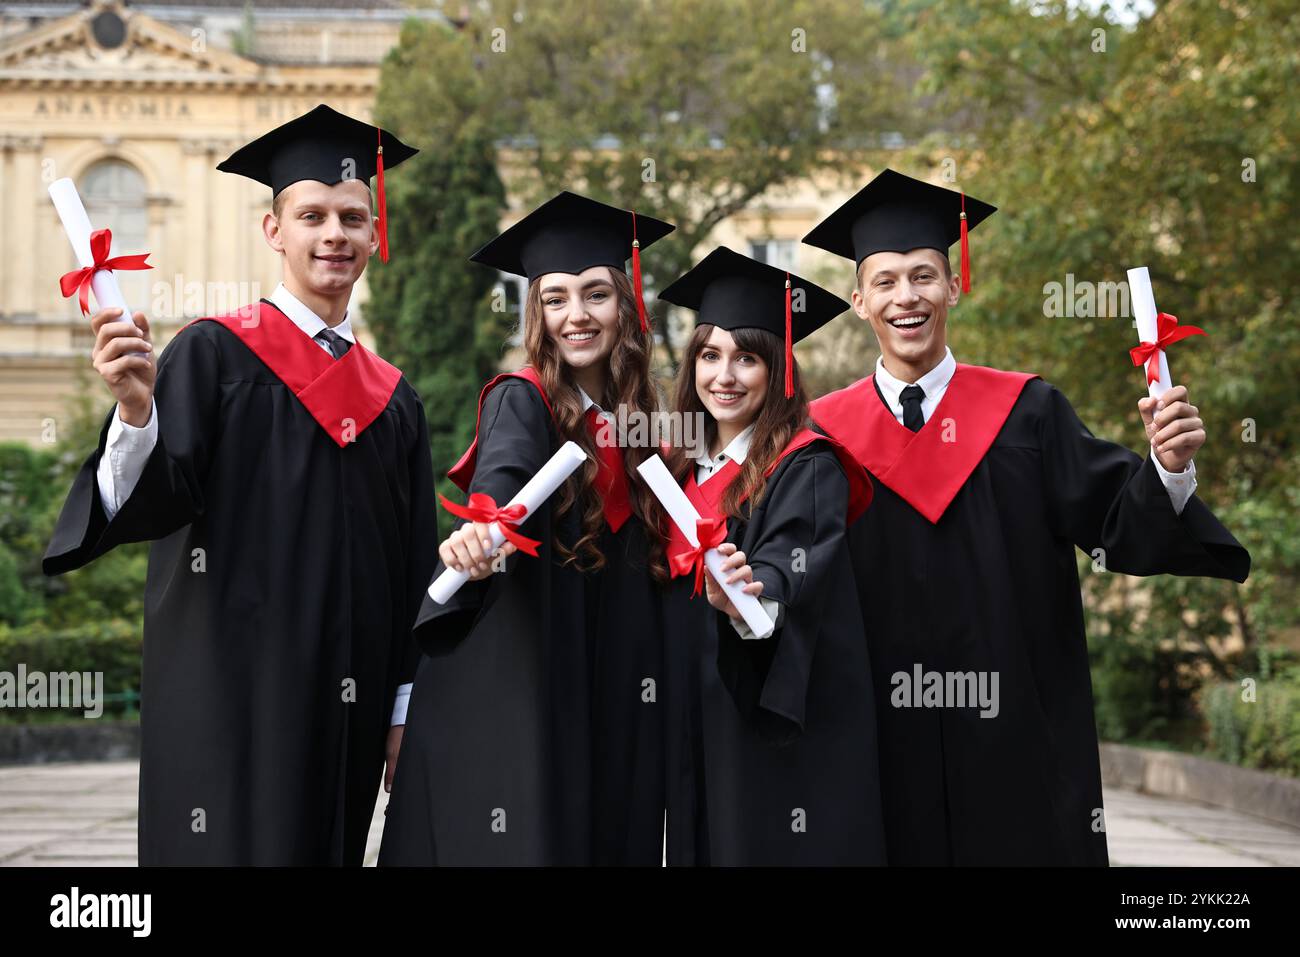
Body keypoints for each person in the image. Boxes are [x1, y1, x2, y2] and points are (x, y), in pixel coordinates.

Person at [803, 168, 1252, 865]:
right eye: (885, 281)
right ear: (859, 300)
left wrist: (1165, 465)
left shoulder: (1026, 412)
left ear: (954, 286)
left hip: (1012, 738)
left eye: (924, 275)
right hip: (878, 745)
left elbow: (1118, 524)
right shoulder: (822, 437)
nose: (906, 296)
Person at [43, 104, 439, 866]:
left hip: (347, 715)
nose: (334, 234)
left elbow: (413, 566)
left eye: (353, 218)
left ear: (374, 235)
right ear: (274, 231)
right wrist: (134, 409)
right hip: (229, 700)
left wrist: (402, 710)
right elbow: (154, 500)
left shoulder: (395, 399)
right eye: (313, 214)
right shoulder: (212, 356)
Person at [379, 191, 676, 865]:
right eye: (556, 298)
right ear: (537, 313)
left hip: (600, 697)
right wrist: (480, 533)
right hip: (519, 692)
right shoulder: (524, 398)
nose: (577, 315)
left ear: (626, 306)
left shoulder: (638, 428)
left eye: (596, 294)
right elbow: (502, 481)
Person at [657, 246, 884, 865]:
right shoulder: (673, 472)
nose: (724, 376)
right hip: (687, 719)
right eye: (709, 356)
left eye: (747, 358)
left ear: (778, 370)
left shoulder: (807, 465)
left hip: (761, 714)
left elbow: (791, 564)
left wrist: (749, 596)